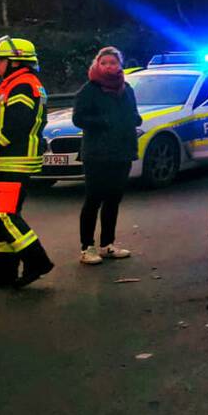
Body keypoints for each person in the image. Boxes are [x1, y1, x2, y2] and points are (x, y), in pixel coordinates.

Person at [0, 36, 54, 289]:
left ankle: (36, 260)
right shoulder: (16, 84)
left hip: (14, 162)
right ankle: (4, 269)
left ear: (15, 62)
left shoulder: (21, 86)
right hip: (8, 161)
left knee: (4, 215)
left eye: (0, 60)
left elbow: (17, 124)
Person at [72, 47, 141, 265]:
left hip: (122, 152)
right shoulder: (89, 90)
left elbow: (133, 113)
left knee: (114, 199)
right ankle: (87, 247)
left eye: (113, 62)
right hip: (97, 153)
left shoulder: (126, 88)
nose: (109, 66)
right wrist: (104, 122)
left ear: (120, 65)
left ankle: (107, 244)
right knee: (93, 199)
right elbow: (78, 118)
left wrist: (134, 120)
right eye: (105, 63)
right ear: (97, 65)